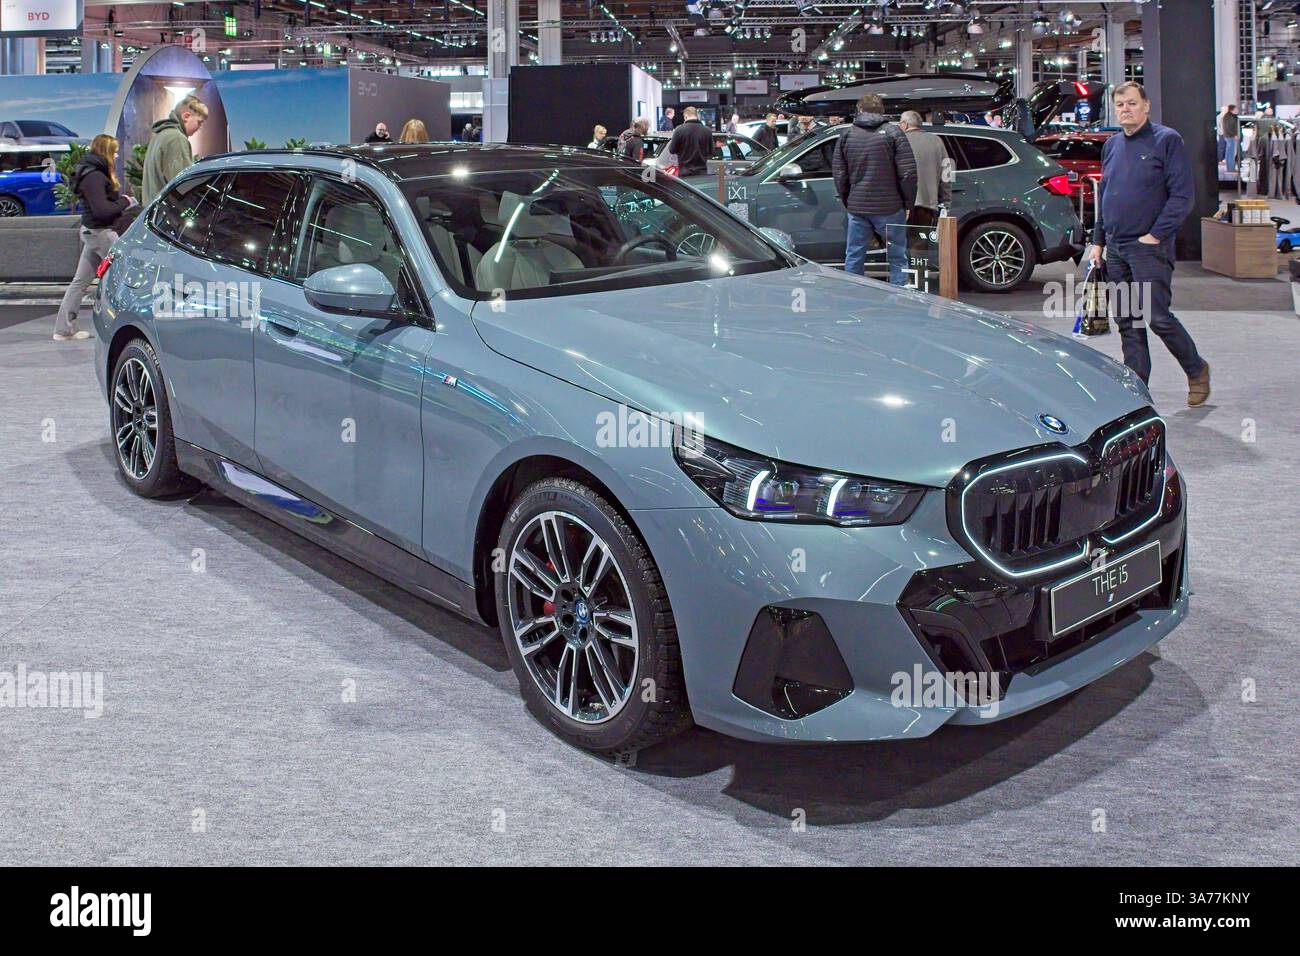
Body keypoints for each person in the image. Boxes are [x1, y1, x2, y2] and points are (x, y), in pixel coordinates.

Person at [1086, 81, 1210, 406]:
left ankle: (1196, 369)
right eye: (1120, 105)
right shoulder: (1111, 146)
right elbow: (1107, 198)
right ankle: (1137, 389)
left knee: (1156, 316)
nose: (1125, 109)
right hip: (1116, 248)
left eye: (1131, 103)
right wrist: (1098, 242)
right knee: (1127, 321)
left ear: (1146, 106)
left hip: (1147, 248)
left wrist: (1154, 235)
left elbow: (1183, 197)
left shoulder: (1166, 141)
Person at [54, 134, 136, 341]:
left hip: (93, 233)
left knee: (80, 282)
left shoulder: (89, 173)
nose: (117, 156)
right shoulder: (95, 177)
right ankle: (128, 326)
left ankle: (63, 330)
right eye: (115, 151)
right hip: (101, 233)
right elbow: (102, 211)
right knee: (127, 274)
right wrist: (125, 202)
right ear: (106, 151)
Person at [831, 93, 917, 285]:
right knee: (897, 256)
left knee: (854, 256)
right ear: (882, 110)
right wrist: (908, 203)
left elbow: (839, 174)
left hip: (858, 207)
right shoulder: (894, 133)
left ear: (859, 110)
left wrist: (848, 200)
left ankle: (855, 297)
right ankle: (899, 297)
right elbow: (908, 173)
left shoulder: (847, 134)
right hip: (890, 207)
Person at [141, 93, 208, 205]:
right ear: (186, 116)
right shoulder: (176, 139)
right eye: (199, 122)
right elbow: (183, 185)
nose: (200, 127)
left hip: (153, 213)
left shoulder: (161, 135)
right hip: (167, 216)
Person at [899, 110, 951, 233]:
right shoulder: (937, 141)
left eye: (900, 123)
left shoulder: (898, 141)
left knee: (897, 246)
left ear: (905, 124)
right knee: (920, 246)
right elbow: (947, 172)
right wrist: (946, 202)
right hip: (928, 204)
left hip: (901, 205)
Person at [666, 106, 713, 177]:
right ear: (697, 116)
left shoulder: (679, 130)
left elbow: (672, 150)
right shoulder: (707, 131)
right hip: (702, 172)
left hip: (684, 173)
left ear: (685, 117)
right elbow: (711, 151)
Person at [1222, 104, 1239, 173]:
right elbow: (1229, 127)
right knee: (1231, 153)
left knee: (1229, 152)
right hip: (1230, 137)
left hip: (1228, 136)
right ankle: (1231, 168)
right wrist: (1234, 134)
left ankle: (1229, 167)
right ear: (1232, 110)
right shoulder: (1230, 117)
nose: (1237, 110)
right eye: (1236, 109)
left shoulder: (1228, 116)